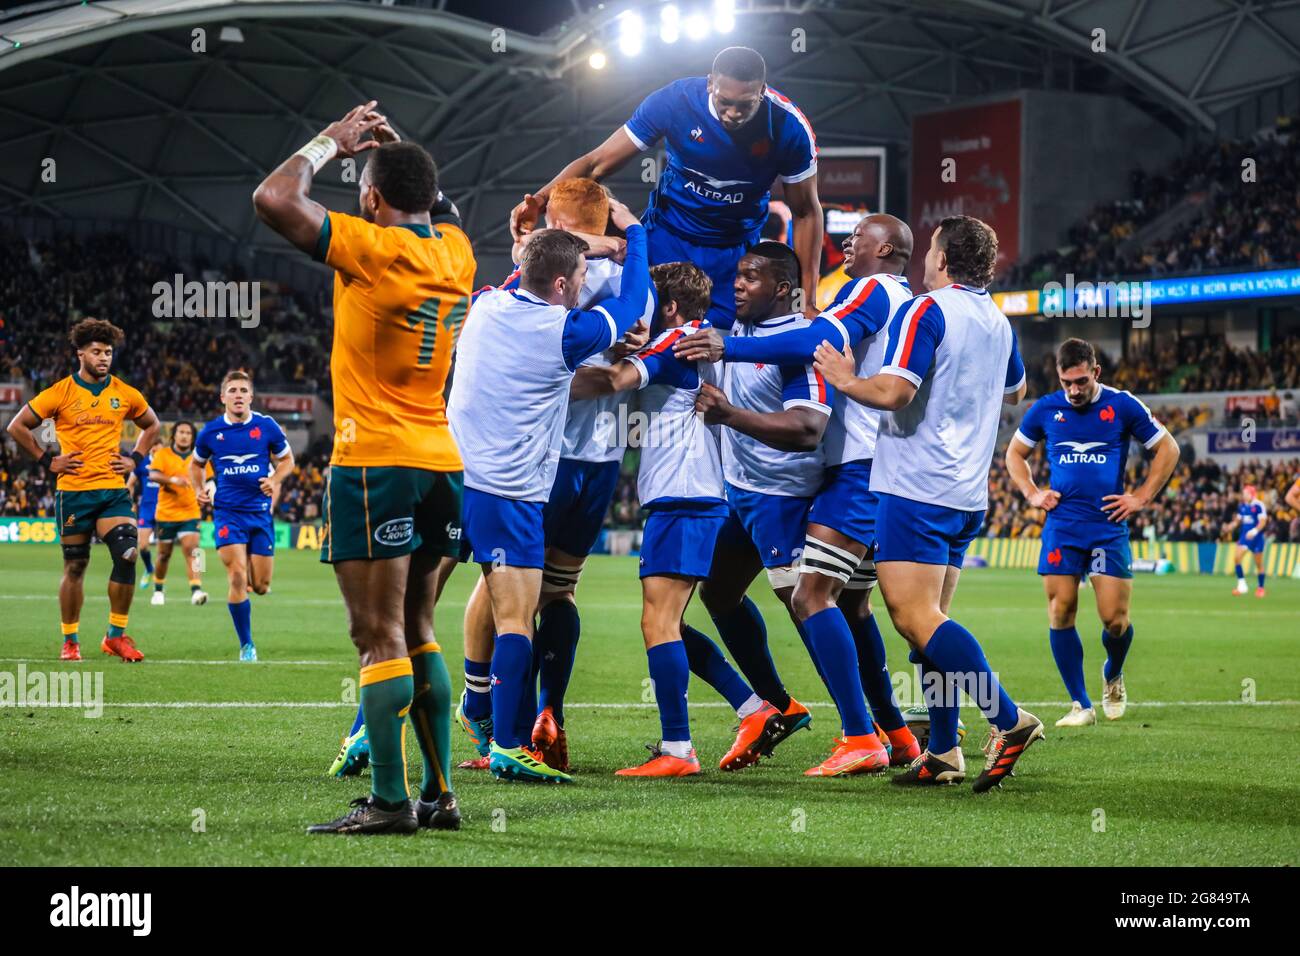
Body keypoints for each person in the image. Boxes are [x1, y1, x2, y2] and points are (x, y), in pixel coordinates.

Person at [254, 101, 473, 834]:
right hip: (442, 461)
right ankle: (439, 796)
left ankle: (389, 802)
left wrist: (333, 143)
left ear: (371, 197)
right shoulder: (459, 252)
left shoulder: (368, 247)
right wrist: (396, 158)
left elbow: (274, 198)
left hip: (375, 460)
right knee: (419, 627)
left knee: (376, 636)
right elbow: (429, 199)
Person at [674, 213, 922, 765]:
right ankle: (887, 733)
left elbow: (815, 384)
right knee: (830, 604)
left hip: (825, 479)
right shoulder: (763, 322)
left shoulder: (869, 294)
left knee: (817, 601)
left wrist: (728, 387)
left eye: (860, 238)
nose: (848, 242)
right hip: (763, 487)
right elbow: (1015, 380)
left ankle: (865, 736)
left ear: (887, 252)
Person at [814, 214, 1043, 792]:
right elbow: (1018, 389)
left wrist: (843, 377)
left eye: (931, 250)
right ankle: (943, 749)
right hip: (966, 493)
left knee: (914, 619)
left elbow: (894, 391)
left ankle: (1008, 718)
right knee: (930, 627)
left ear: (941, 257)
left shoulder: (927, 308)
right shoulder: (998, 320)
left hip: (917, 485)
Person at [447, 202, 649, 784]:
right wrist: (631, 235)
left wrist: (580, 244)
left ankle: (370, 726)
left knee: (411, 612)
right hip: (510, 490)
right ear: (563, 284)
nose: (585, 284)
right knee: (518, 616)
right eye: (578, 278)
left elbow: (527, 262)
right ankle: (508, 743)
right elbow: (631, 307)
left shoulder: (486, 302)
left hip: (453, 475)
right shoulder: (564, 331)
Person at [510, 46, 822, 327]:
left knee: (711, 353)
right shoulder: (676, 102)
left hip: (731, 252)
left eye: (745, 105)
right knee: (637, 333)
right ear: (710, 83)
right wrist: (539, 200)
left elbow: (806, 212)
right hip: (664, 236)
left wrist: (807, 300)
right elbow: (597, 163)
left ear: (762, 92)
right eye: (725, 102)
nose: (734, 114)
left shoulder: (789, 127)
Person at [570, 261, 735, 776]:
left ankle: (678, 750)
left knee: (658, 622)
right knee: (672, 624)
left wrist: (535, 373)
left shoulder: (677, 343)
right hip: (687, 496)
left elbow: (613, 381)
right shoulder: (693, 342)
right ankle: (756, 708)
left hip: (685, 495)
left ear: (667, 307)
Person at [1005, 338, 1180, 726]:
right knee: (1060, 610)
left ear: (1095, 372)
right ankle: (1080, 704)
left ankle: (1113, 673)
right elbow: (1014, 455)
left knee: (1114, 620)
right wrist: (1032, 493)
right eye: (1067, 382)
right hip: (1062, 526)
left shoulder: (1122, 405)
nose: (1074, 390)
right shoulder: (1045, 409)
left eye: (1081, 381)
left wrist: (1142, 496)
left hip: (1107, 527)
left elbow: (1168, 449)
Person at [4, 318, 160, 662]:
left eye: (108, 352)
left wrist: (134, 458)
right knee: (75, 568)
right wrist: (48, 461)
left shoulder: (124, 392)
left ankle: (115, 636)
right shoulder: (60, 392)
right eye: (97, 352)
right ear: (80, 354)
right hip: (74, 492)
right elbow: (17, 426)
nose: (104, 358)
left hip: (112, 490)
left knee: (127, 552)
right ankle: (70, 640)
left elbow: (152, 425)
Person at [191, 370, 296, 662]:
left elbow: (288, 460)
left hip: (260, 515)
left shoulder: (267, 426)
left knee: (260, 586)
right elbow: (196, 465)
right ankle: (247, 645)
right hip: (227, 513)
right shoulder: (211, 432)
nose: (238, 395)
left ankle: (252, 578)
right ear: (222, 397)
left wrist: (275, 481)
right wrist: (199, 489)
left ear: (251, 396)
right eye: (232, 390)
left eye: (243, 390)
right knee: (237, 576)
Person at [148, 421, 208, 607]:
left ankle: (197, 590)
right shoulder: (163, 454)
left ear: (192, 437)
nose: (184, 435)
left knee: (194, 550)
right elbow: (153, 475)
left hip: (191, 511)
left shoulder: (199, 458)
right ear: (174, 435)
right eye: (181, 432)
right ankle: (158, 590)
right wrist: (173, 480)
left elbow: (209, 477)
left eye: (188, 433)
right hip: (166, 513)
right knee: (163, 555)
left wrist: (207, 492)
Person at [128, 438, 162, 588]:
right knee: (142, 546)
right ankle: (149, 569)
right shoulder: (143, 463)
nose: (157, 451)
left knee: (163, 549)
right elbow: (130, 483)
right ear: (150, 448)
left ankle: (160, 581)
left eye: (160, 449)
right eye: (155, 448)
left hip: (164, 508)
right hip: (147, 509)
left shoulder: (167, 463)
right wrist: (129, 503)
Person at [1229, 485, 1268, 597]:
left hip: (1256, 538)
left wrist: (1255, 531)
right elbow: (1237, 520)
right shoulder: (1242, 506)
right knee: (1237, 558)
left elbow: (1263, 521)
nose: (1244, 495)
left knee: (1259, 564)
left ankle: (1261, 588)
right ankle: (1242, 586)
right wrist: (1230, 526)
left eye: (1246, 493)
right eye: (1243, 493)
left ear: (1252, 494)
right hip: (1244, 538)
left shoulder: (1259, 505)